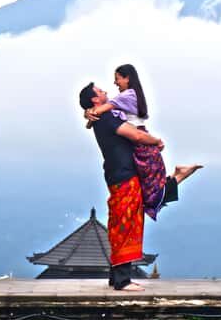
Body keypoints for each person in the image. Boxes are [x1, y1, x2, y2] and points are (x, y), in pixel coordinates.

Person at [79, 81, 200, 291]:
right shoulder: (106, 117)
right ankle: (122, 280)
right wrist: (156, 141)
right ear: (94, 99)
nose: (106, 90)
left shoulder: (103, 114)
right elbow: (135, 135)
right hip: (123, 175)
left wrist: (88, 113)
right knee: (126, 224)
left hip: (120, 173)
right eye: (100, 91)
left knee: (130, 216)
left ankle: (117, 276)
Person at [85, 64, 199, 220]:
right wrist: (88, 114)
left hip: (143, 146)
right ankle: (179, 174)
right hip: (142, 145)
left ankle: (181, 175)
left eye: (117, 79)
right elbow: (101, 112)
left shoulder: (127, 96)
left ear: (127, 78)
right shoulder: (126, 97)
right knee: (148, 193)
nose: (114, 83)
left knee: (150, 196)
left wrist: (90, 112)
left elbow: (102, 111)